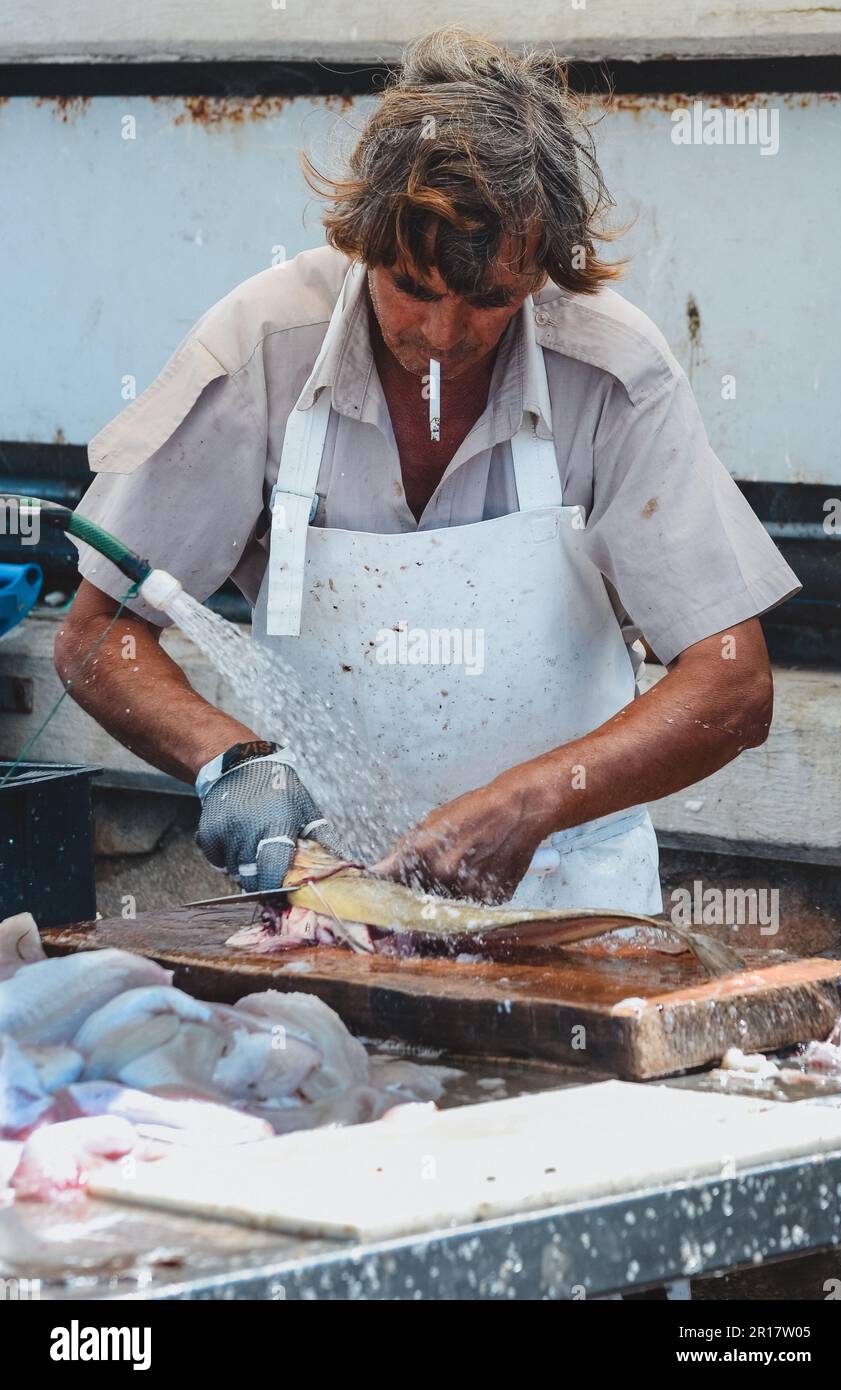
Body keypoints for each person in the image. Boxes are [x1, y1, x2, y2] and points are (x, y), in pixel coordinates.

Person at [55, 27, 799, 913]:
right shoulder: (263, 348)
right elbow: (96, 636)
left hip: (570, 906)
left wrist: (531, 803)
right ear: (363, 240)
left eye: (490, 299)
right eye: (412, 286)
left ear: (541, 271)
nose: (444, 338)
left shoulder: (612, 372)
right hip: (329, 906)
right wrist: (231, 761)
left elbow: (733, 680)